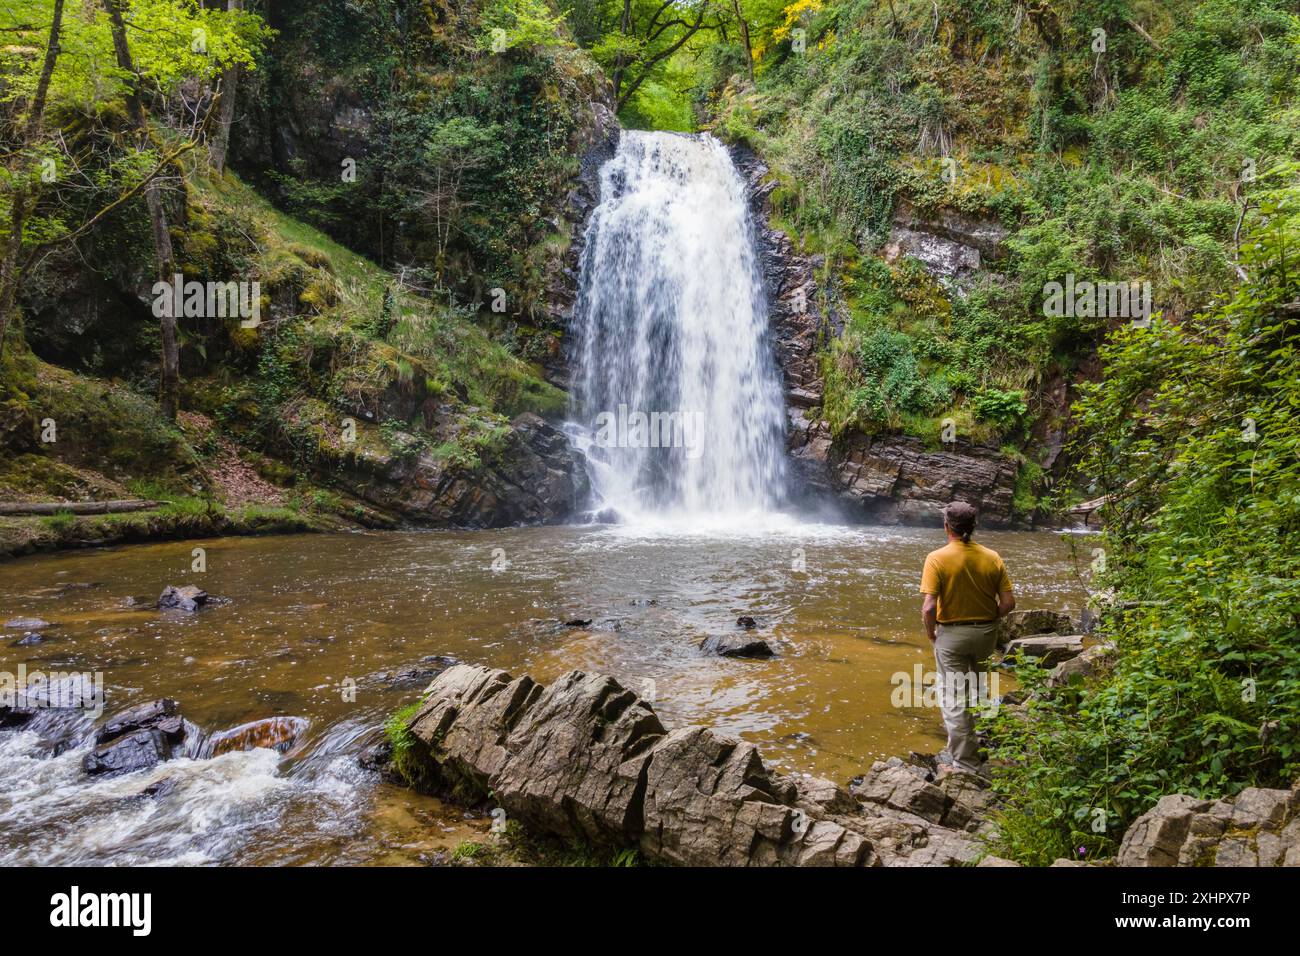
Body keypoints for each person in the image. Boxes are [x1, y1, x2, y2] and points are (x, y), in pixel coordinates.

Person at [919, 501, 1015, 774]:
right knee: (975, 687)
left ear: (946, 526)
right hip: (986, 633)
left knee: (953, 697)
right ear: (973, 527)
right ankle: (976, 740)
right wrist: (989, 618)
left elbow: (928, 607)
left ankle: (966, 764)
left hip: (951, 635)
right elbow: (1008, 603)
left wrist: (931, 633)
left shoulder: (937, 558)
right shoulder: (992, 557)